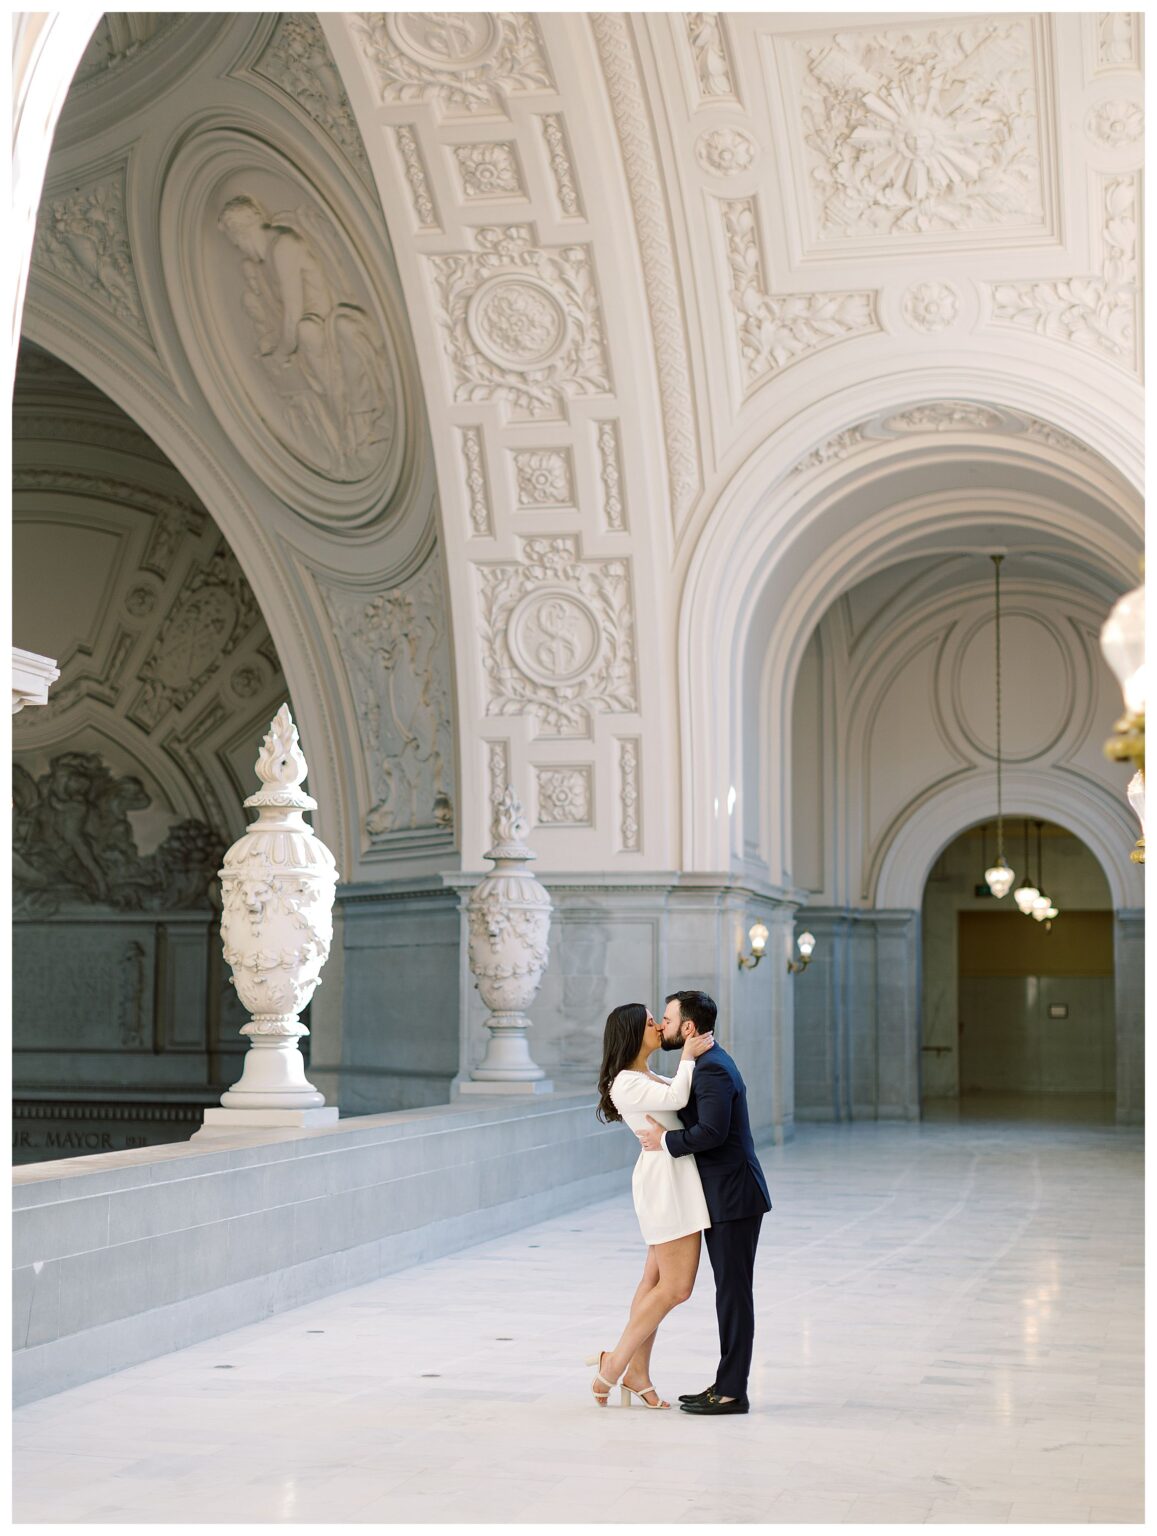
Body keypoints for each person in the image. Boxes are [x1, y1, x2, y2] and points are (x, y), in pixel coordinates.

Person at [636, 989, 771, 1416]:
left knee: (733, 1295)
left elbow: (712, 1132)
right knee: (729, 1294)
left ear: (688, 1027)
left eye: (669, 1020)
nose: (663, 1026)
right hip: (726, 1196)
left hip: (733, 1197)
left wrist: (665, 1140)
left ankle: (732, 1392)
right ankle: (726, 1383)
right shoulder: (703, 1062)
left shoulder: (712, 1069)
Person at [588, 1003, 716, 1409]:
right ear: (631, 1033)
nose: (660, 1027)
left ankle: (636, 1373)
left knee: (653, 1282)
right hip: (665, 1182)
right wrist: (689, 1056)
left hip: (673, 1175)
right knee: (676, 1288)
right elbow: (679, 1097)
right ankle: (614, 1364)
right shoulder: (625, 1082)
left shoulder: (645, 1075)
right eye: (650, 1023)